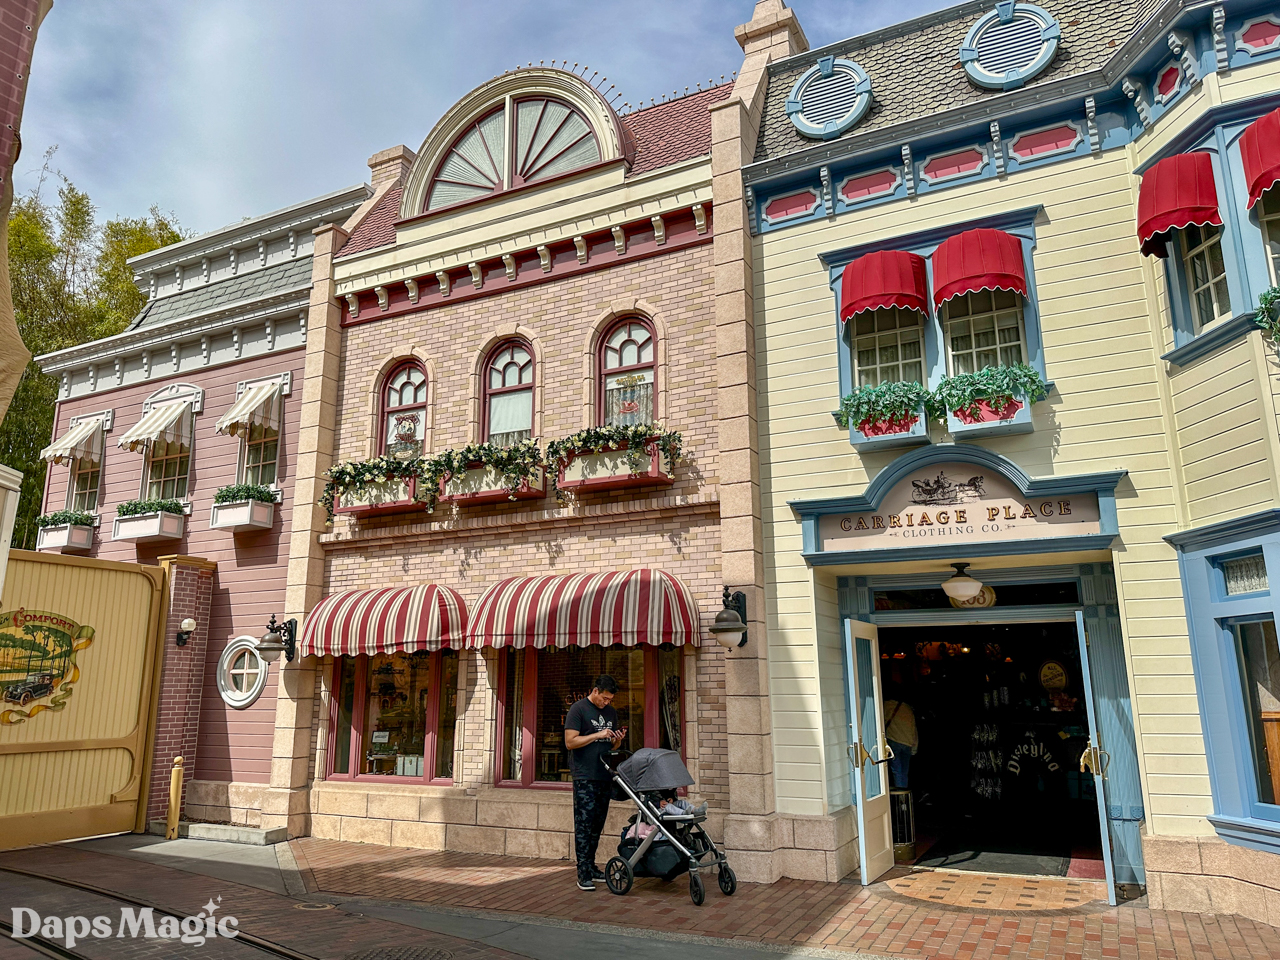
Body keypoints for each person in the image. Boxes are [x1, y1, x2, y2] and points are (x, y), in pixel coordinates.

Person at [564, 675, 625, 891]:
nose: (606, 703)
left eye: (610, 700)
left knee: (597, 825)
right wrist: (597, 734)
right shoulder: (578, 710)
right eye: (604, 698)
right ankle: (582, 872)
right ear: (596, 691)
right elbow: (570, 742)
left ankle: (590, 866)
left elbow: (612, 744)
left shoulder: (611, 712)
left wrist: (617, 738)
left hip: (604, 774)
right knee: (584, 825)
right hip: (584, 775)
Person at [883, 695, 918, 790]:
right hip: (907, 743)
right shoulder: (908, 709)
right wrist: (914, 748)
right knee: (904, 772)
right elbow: (913, 729)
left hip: (894, 740)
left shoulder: (886, 706)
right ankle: (904, 798)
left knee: (897, 771)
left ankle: (900, 798)